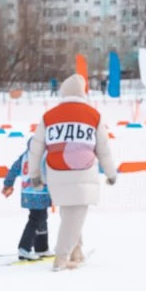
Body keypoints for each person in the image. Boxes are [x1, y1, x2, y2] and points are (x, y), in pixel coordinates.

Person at [27, 73, 117, 271]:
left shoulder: (49, 116)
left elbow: (36, 148)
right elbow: (103, 148)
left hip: (56, 172)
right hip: (83, 172)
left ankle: (77, 251)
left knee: (70, 213)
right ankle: (61, 258)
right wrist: (111, 173)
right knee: (75, 215)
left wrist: (35, 175)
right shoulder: (93, 115)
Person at [1, 142, 52, 261]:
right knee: (36, 219)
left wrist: (8, 184)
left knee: (41, 217)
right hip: (39, 192)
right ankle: (24, 248)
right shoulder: (46, 154)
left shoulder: (25, 155)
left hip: (28, 192)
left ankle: (41, 247)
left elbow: (14, 169)